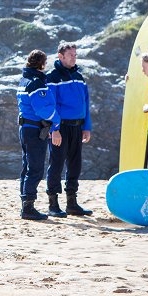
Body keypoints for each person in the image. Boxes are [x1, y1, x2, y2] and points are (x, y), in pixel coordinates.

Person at [46, 42, 93, 217]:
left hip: (77, 127)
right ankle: (53, 204)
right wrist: (55, 129)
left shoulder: (80, 77)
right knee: (56, 164)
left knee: (75, 165)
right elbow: (52, 106)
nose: (74, 57)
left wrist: (86, 127)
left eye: (75, 54)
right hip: (61, 128)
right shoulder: (52, 77)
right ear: (61, 56)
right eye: (71, 55)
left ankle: (72, 204)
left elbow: (86, 104)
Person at [16, 50, 61, 221]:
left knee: (27, 166)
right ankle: (28, 206)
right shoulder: (36, 83)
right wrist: (57, 120)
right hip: (34, 129)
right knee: (35, 168)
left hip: (25, 128)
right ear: (41, 64)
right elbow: (43, 109)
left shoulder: (24, 80)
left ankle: (25, 203)